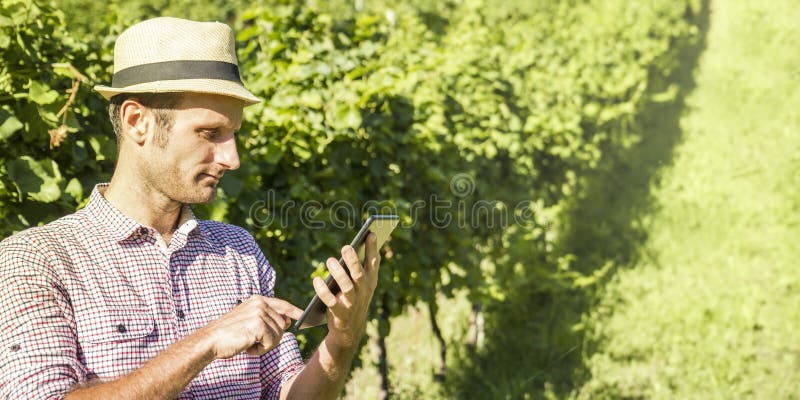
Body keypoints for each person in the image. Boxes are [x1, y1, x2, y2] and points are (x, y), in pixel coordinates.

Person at [0, 17, 381, 400]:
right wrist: (207, 341)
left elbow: (285, 394)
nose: (232, 157)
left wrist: (341, 341)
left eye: (233, 134)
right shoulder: (37, 260)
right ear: (138, 122)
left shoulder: (239, 251)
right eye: (210, 133)